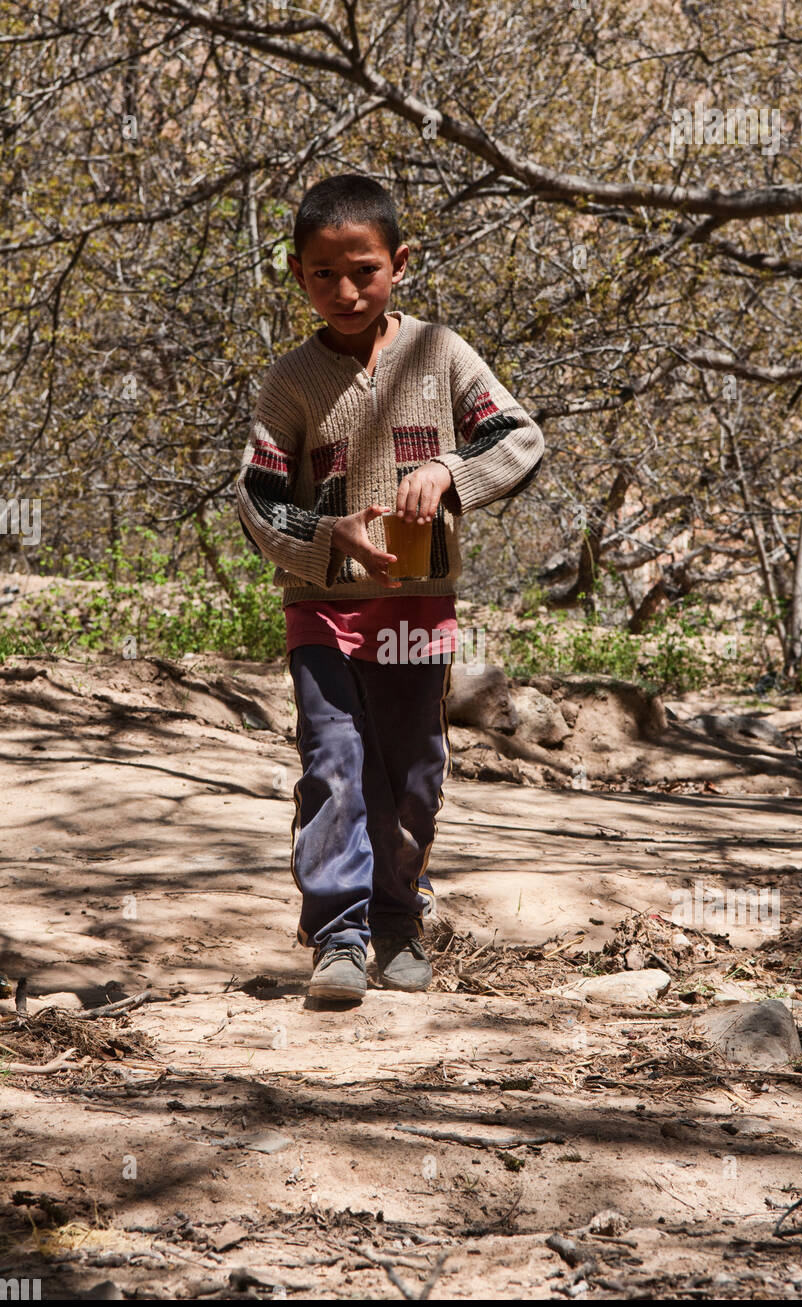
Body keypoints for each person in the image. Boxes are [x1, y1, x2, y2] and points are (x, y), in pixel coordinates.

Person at [235, 173, 544, 1002]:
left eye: (362, 270)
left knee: (412, 770)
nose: (344, 290)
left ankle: (398, 919)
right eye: (323, 274)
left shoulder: (440, 354)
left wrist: (449, 468)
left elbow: (519, 439)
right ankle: (337, 934)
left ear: (399, 263)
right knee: (333, 763)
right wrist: (318, 536)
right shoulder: (291, 380)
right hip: (321, 612)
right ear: (297, 275)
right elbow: (257, 498)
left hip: (416, 608)